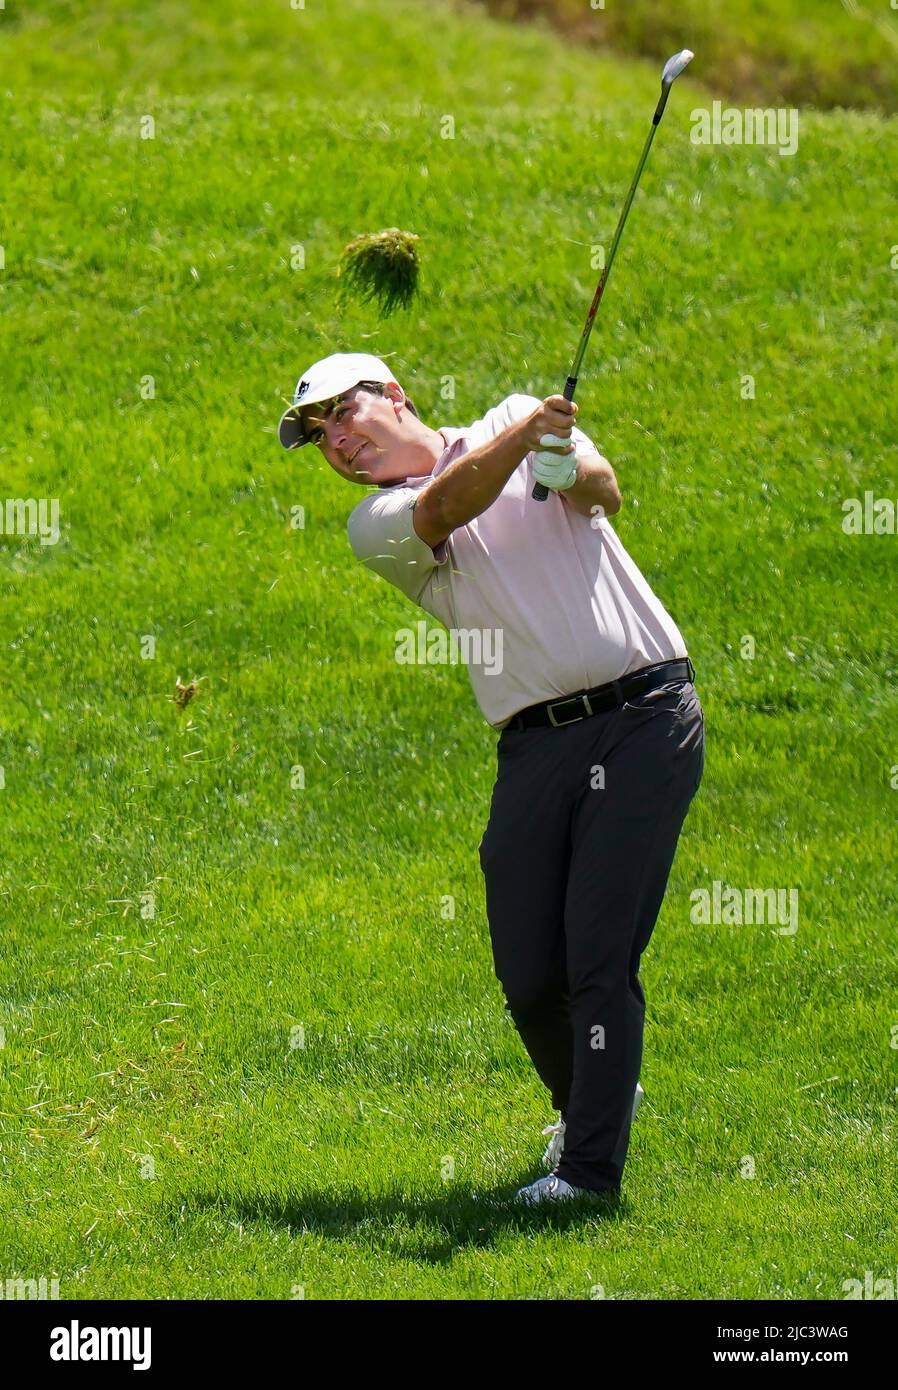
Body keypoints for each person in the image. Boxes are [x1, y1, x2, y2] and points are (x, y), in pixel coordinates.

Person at [278, 352, 705, 1204]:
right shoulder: (379, 521)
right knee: (526, 970)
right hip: (535, 743)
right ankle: (595, 1096)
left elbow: (603, 494)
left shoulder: (515, 416)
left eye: (344, 414)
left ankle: (588, 1175)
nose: (338, 443)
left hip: (645, 716)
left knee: (596, 953)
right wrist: (526, 436)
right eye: (321, 437)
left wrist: (567, 460)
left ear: (394, 394)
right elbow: (448, 502)